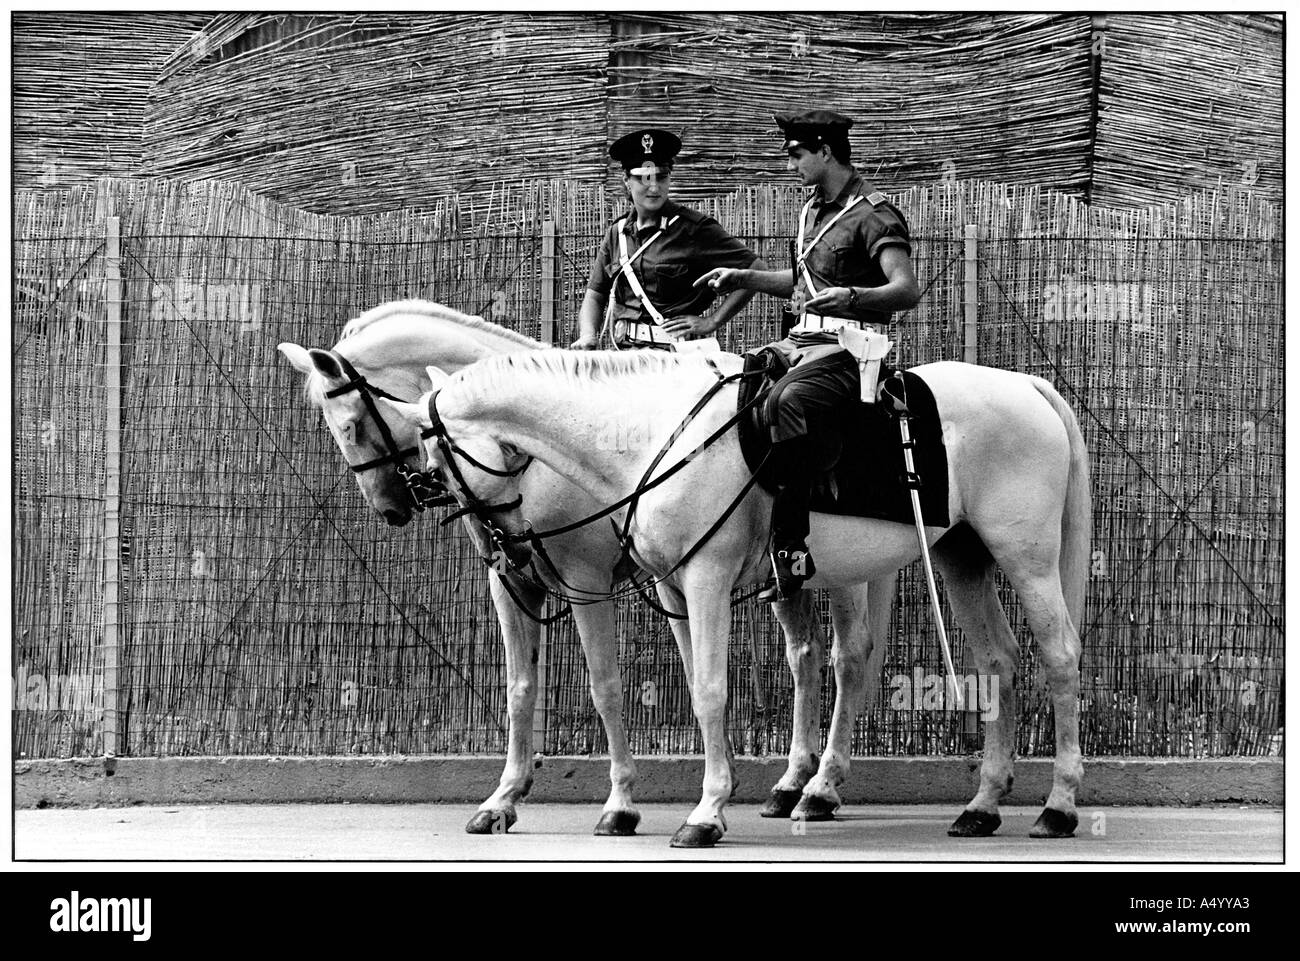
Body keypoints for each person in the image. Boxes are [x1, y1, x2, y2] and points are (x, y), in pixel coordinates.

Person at [695, 109, 921, 601]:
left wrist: (853, 298)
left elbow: (906, 290)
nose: (791, 163)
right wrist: (743, 278)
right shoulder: (811, 211)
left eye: (797, 154)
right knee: (736, 382)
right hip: (801, 340)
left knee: (786, 402)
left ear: (825, 151)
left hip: (851, 348)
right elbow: (800, 282)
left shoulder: (874, 213)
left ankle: (791, 547)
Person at [573, 128, 765, 351]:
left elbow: (756, 269)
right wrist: (588, 335)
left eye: (661, 177)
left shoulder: (694, 229)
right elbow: (595, 295)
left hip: (675, 357)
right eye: (644, 178)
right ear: (627, 180)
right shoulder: (617, 233)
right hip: (624, 355)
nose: (654, 187)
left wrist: (712, 321)